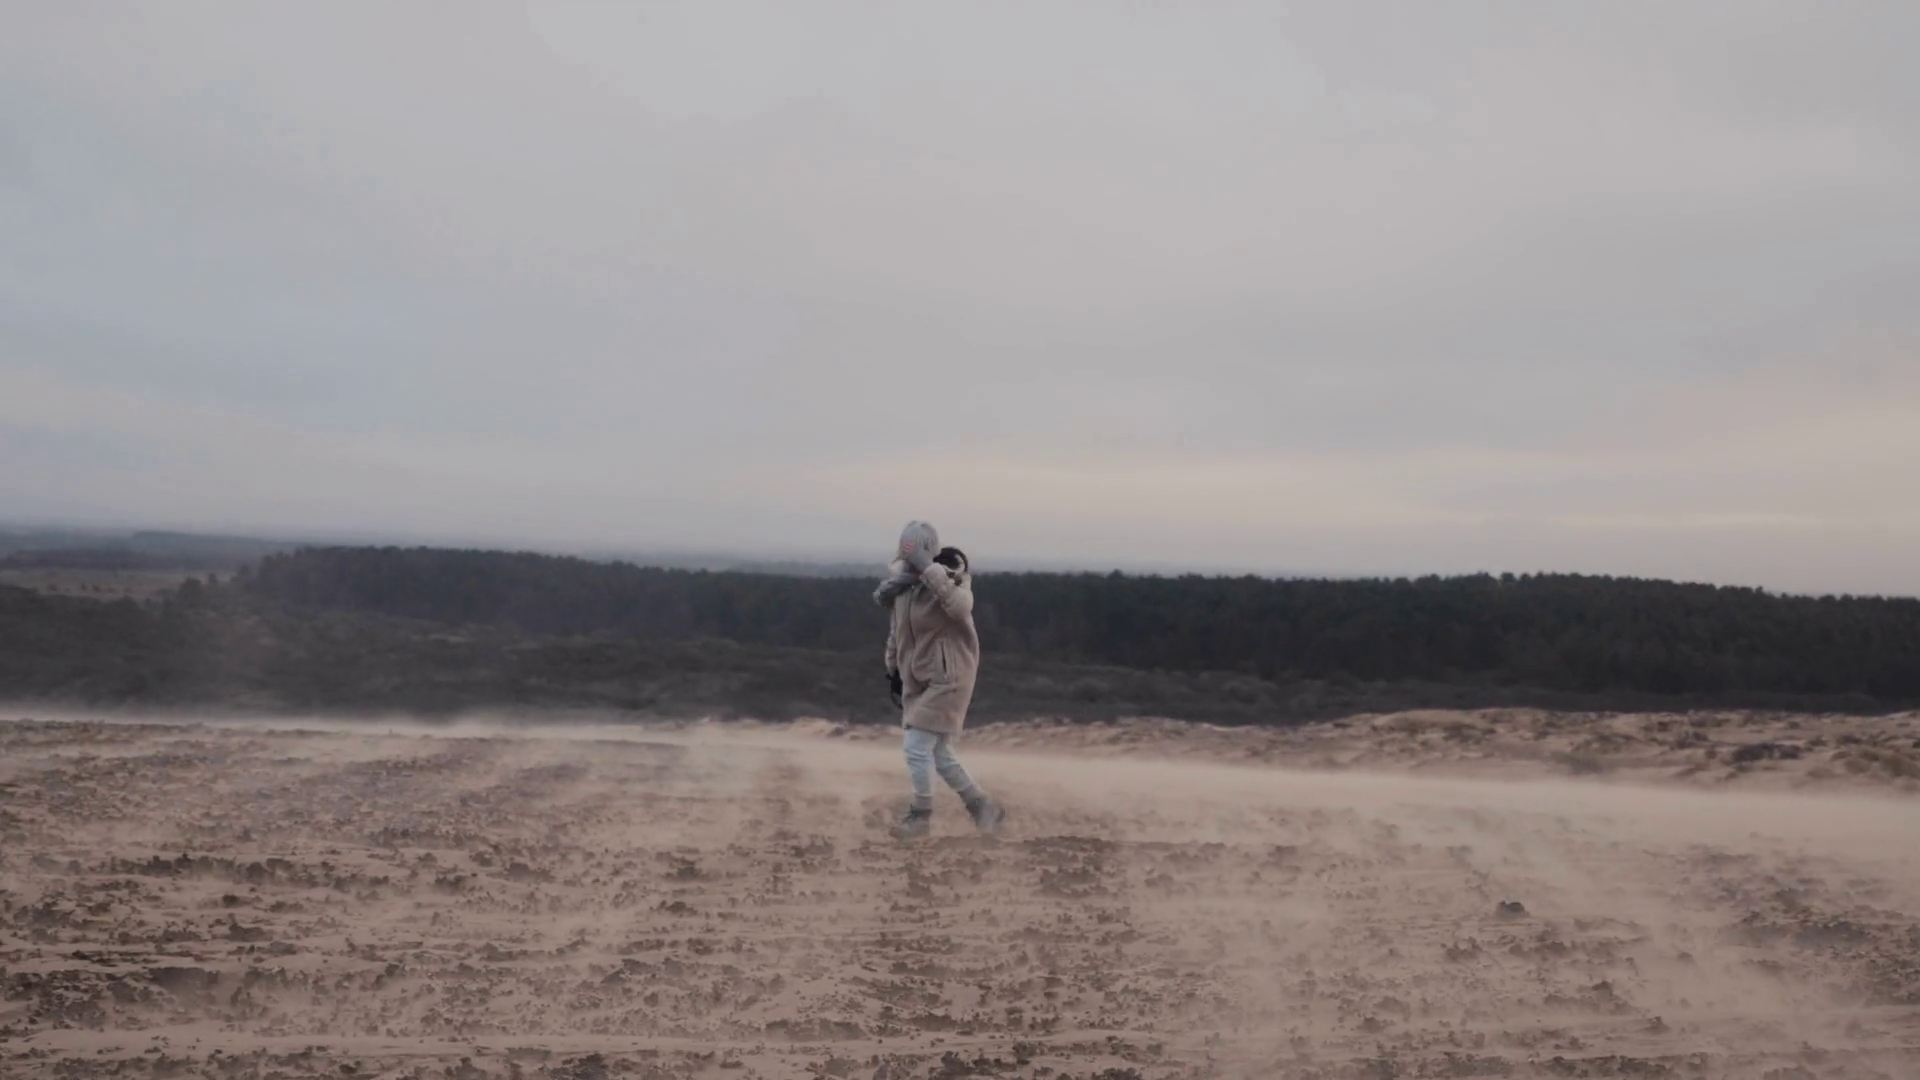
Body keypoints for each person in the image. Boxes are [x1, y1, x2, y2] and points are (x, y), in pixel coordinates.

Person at [873, 520, 1003, 839]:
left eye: (913, 553)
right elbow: (898, 634)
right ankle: (983, 807)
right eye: (905, 554)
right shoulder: (901, 590)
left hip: (950, 677)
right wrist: (893, 671)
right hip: (917, 679)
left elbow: (960, 609)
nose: (907, 560)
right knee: (940, 754)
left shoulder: (953, 581)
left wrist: (929, 570)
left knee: (916, 746)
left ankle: (920, 816)